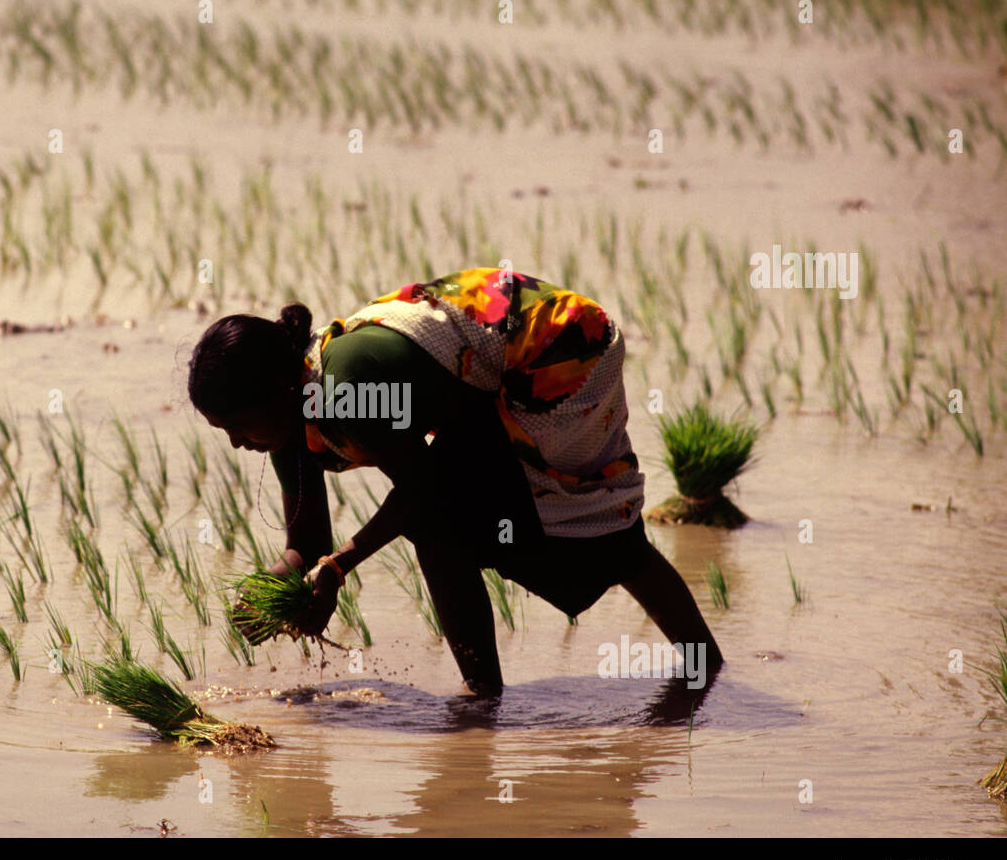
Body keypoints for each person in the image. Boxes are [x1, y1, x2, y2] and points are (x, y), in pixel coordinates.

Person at [187, 267, 723, 696]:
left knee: (585, 531)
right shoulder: (290, 421)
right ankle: (485, 693)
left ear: (282, 390)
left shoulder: (347, 390)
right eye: (224, 432)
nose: (236, 443)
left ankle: (489, 693)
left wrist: (340, 565)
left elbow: (424, 488)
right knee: (457, 523)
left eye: (238, 425)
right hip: (485, 384)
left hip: (559, 348)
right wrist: (271, 588)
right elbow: (305, 543)